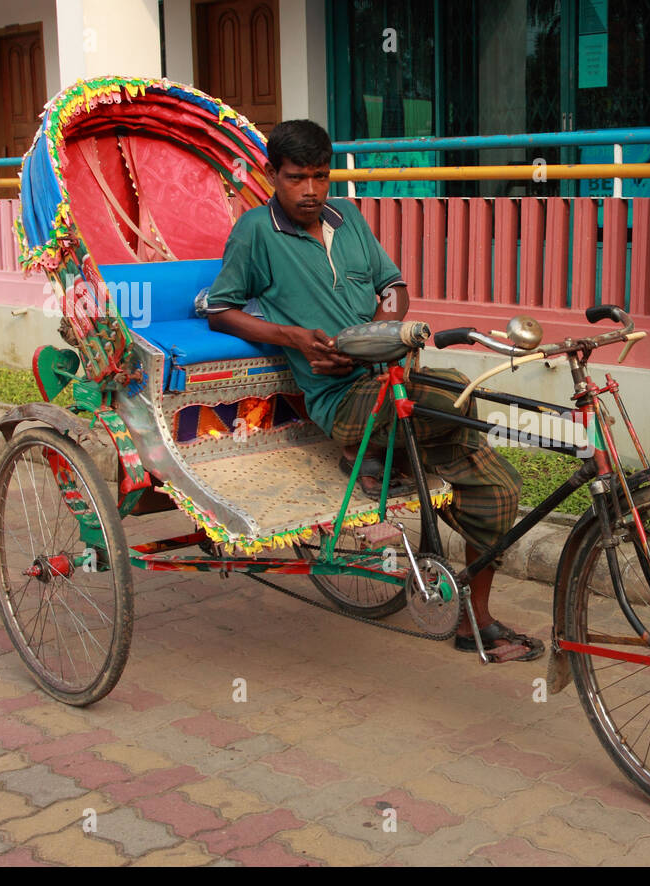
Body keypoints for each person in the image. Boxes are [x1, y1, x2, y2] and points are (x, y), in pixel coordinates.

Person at [205, 119, 541, 663]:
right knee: (453, 389)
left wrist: (382, 329)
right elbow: (220, 310)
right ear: (271, 174)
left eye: (320, 176)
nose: (311, 190)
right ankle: (369, 454)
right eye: (296, 178)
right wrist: (292, 336)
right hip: (341, 401)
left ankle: (474, 622)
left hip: (394, 380)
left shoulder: (350, 218)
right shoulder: (255, 233)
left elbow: (394, 287)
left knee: (499, 487)